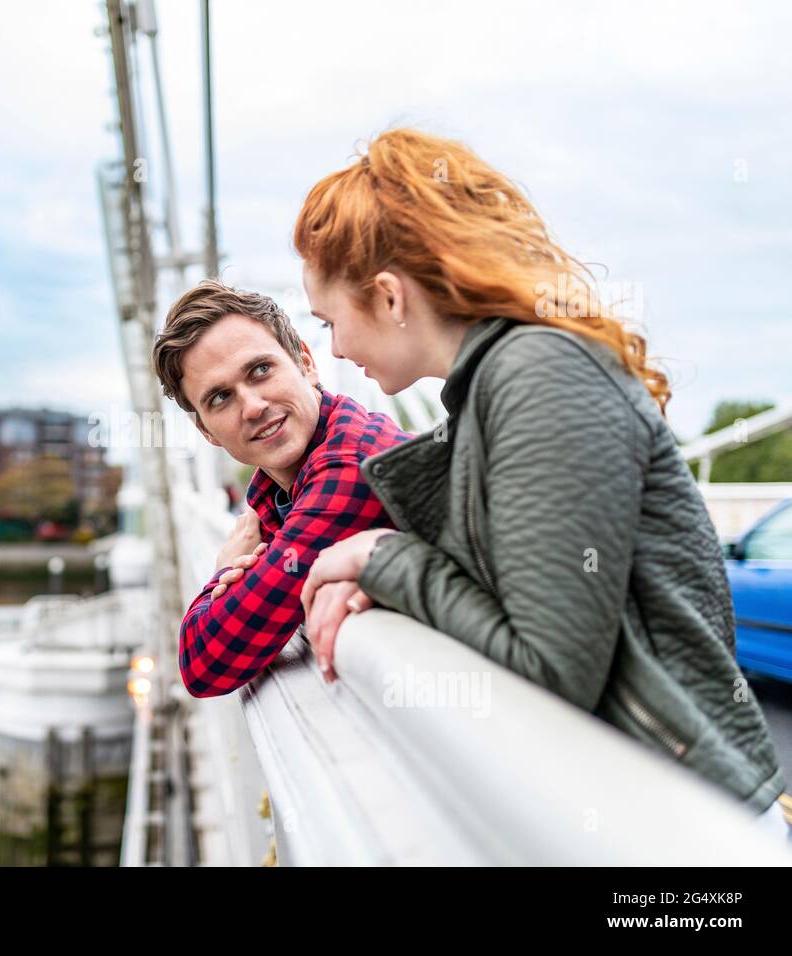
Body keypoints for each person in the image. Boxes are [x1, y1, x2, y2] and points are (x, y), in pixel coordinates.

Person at [292, 127, 787, 825]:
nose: (335, 347)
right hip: (641, 801)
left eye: (329, 320)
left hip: (688, 828)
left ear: (390, 297)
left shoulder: (541, 375)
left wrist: (383, 559)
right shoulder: (500, 383)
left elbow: (552, 665)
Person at [151, 279, 409, 698]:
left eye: (260, 370)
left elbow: (205, 665)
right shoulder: (274, 494)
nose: (252, 406)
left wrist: (221, 575)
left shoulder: (350, 464)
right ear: (206, 432)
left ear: (306, 363)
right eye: (220, 398)